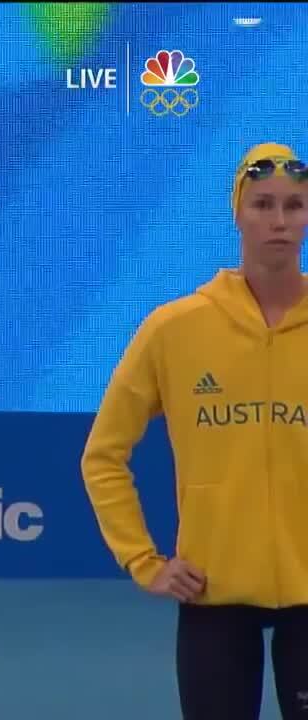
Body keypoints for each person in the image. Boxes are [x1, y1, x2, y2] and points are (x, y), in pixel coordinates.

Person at [81, 141, 308, 720]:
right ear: (237, 212)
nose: (279, 222)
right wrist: (143, 560)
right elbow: (104, 455)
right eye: (262, 204)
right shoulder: (175, 329)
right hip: (212, 592)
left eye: (293, 205)